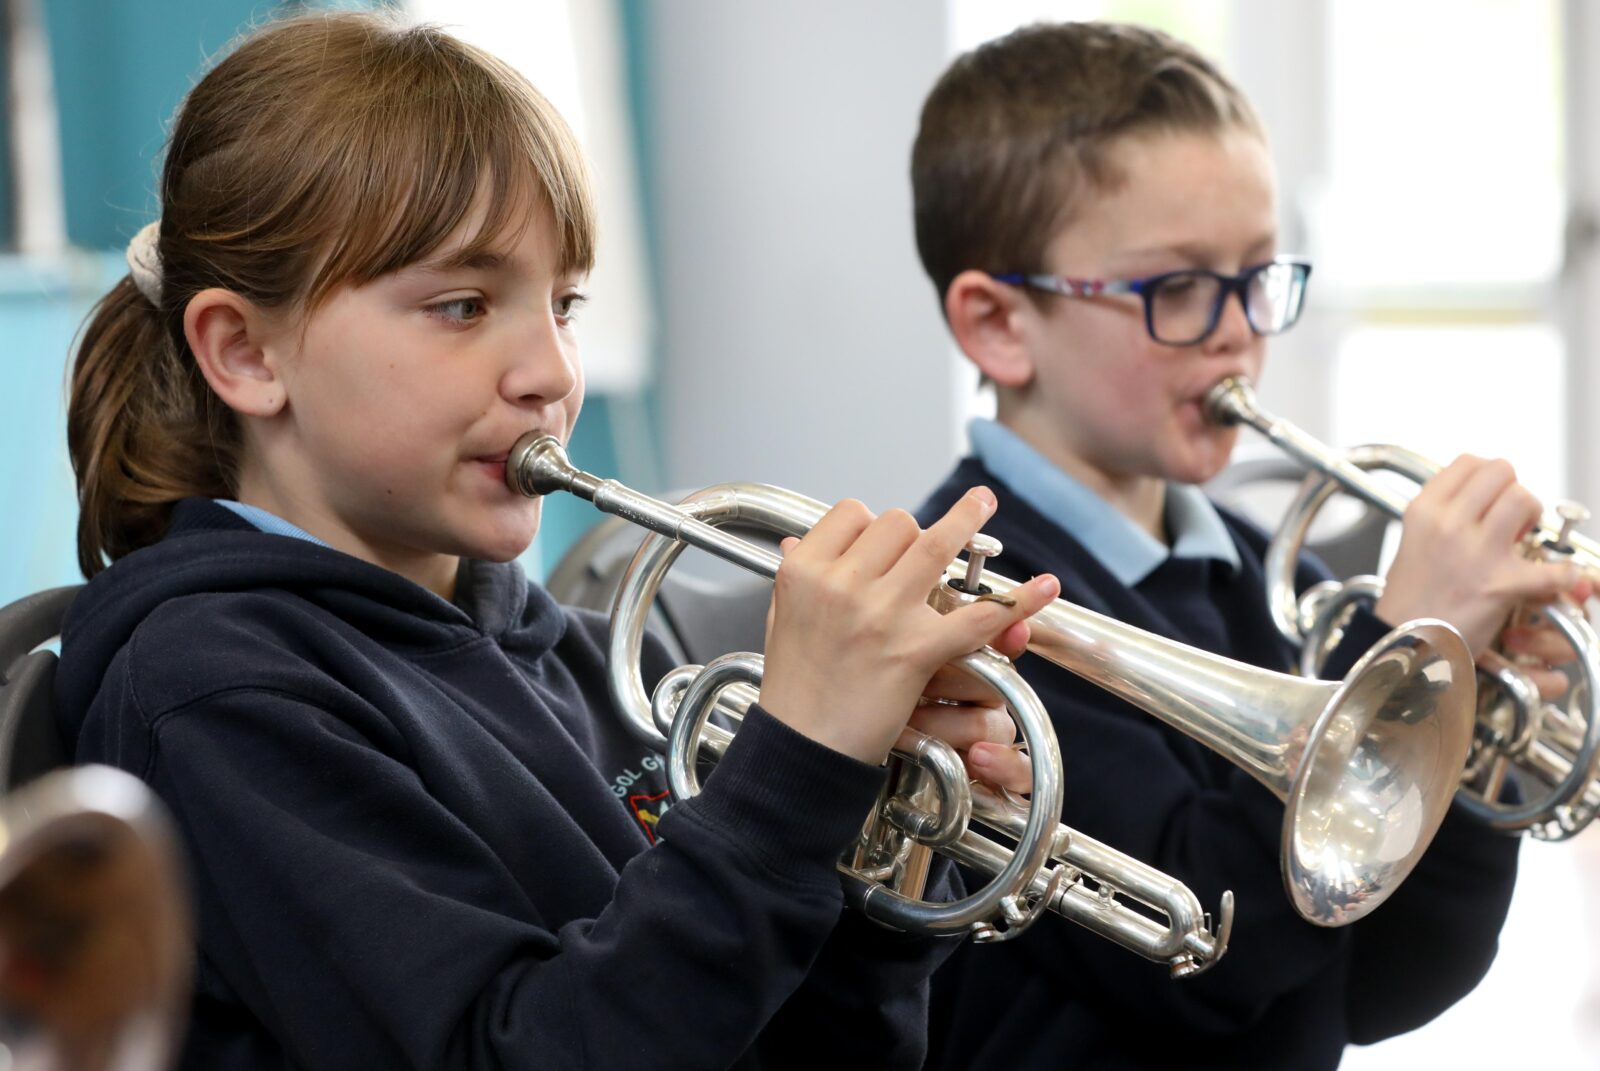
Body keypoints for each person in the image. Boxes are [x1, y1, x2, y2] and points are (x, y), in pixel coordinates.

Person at [51, 12, 1063, 1069]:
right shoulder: (217, 695)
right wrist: (792, 769)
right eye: (462, 304)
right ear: (247, 353)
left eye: (565, 303)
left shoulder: (576, 657)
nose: (550, 371)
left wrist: (870, 825)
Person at [910, 21, 1584, 1071]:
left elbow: (1384, 985)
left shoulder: (1274, 581)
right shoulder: (973, 614)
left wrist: (1461, 723)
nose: (1236, 331)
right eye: (1175, 287)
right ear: (1000, 324)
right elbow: (1200, 962)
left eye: (1257, 276)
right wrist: (1405, 638)